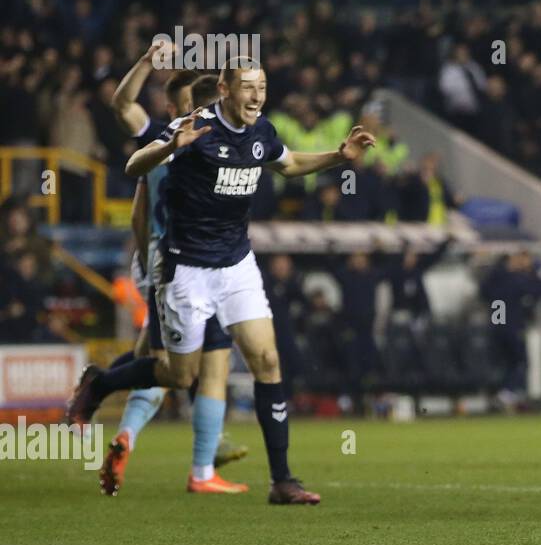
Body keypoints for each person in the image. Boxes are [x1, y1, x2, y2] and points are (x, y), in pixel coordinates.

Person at [68, 57, 375, 504]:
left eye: (262, 87)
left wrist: (337, 158)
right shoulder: (195, 128)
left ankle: (283, 481)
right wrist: (170, 145)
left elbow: (286, 164)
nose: (257, 96)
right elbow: (134, 166)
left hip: (235, 265)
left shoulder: (261, 131)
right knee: (177, 374)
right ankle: (100, 384)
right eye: (248, 88)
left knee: (267, 361)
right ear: (227, 91)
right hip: (186, 268)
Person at [100, 48, 248, 495]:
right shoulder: (167, 138)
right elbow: (124, 108)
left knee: (165, 359)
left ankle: (138, 432)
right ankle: (201, 460)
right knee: (187, 363)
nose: (198, 111)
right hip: (179, 262)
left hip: (181, 262)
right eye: (191, 104)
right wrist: (146, 61)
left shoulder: (208, 139)